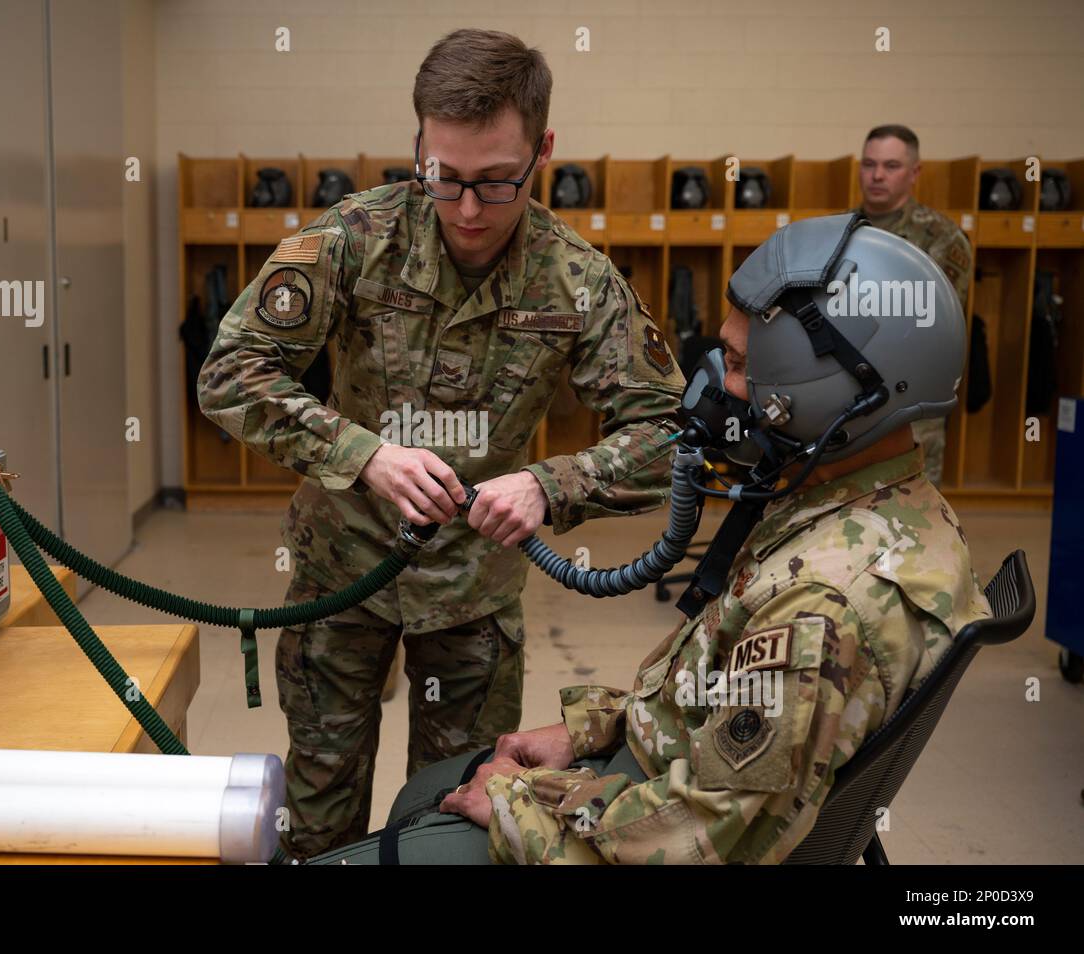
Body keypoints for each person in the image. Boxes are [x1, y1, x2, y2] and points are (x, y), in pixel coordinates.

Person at [304, 215, 993, 865]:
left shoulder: (823, 603)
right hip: (660, 771)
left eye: (736, 363)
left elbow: (703, 837)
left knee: (416, 815)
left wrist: (519, 805)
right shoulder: (880, 508)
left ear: (823, 395)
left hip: (650, 829)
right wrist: (593, 729)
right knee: (427, 793)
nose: (712, 387)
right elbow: (716, 700)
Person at [197, 29, 685, 860]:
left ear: (544, 152)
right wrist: (363, 454)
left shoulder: (576, 280)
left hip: (472, 603)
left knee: (456, 820)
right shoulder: (357, 237)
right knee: (318, 816)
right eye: (444, 176)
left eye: (497, 183)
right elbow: (229, 372)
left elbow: (673, 436)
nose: (465, 210)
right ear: (419, 144)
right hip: (339, 578)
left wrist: (551, 482)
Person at [854, 124, 974, 486]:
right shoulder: (839, 229)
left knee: (914, 508)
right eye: (869, 164)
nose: (876, 175)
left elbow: (929, 322)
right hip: (849, 397)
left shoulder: (941, 237)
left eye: (891, 166)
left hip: (912, 400)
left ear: (915, 173)